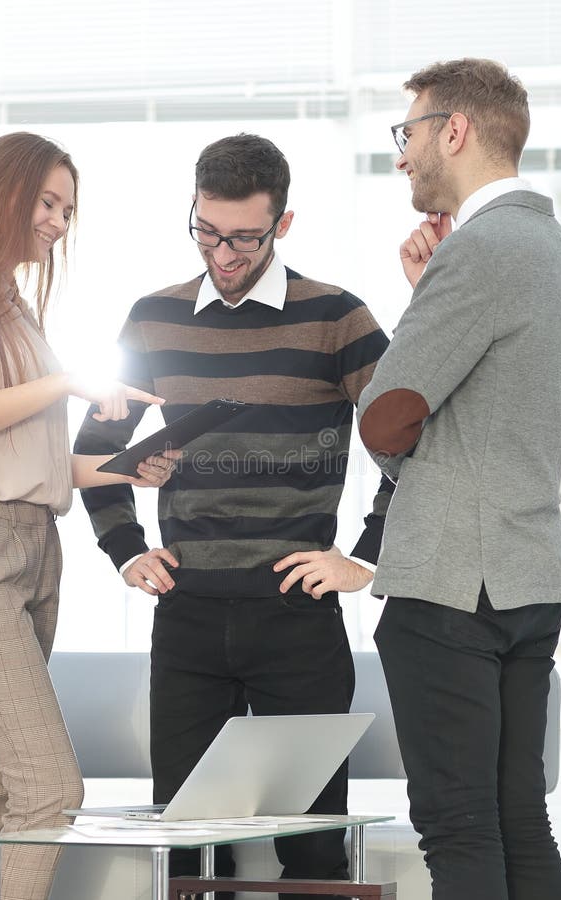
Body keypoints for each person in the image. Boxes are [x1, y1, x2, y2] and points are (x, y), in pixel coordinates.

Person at [73, 132, 393, 893]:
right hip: (185, 618)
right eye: (207, 231)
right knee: (182, 850)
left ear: (282, 224)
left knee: (313, 851)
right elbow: (96, 453)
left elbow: (416, 449)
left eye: (244, 237)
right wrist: (125, 548)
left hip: (297, 617)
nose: (223, 253)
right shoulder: (152, 317)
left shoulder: (338, 319)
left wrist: (364, 556)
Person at [357, 58, 561, 900]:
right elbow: (491, 397)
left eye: (409, 132)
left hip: (455, 584)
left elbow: (384, 417)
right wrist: (431, 296)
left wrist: (426, 300)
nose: (402, 155)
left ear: (453, 130)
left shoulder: (479, 251)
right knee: (517, 822)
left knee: (458, 830)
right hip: (527, 576)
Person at [0, 132, 176, 900]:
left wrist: (126, 470)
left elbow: (28, 457)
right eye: (47, 202)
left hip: (36, 548)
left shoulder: (11, 308)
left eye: (67, 209)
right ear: (1, 190)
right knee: (52, 788)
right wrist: (66, 383)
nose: (58, 223)